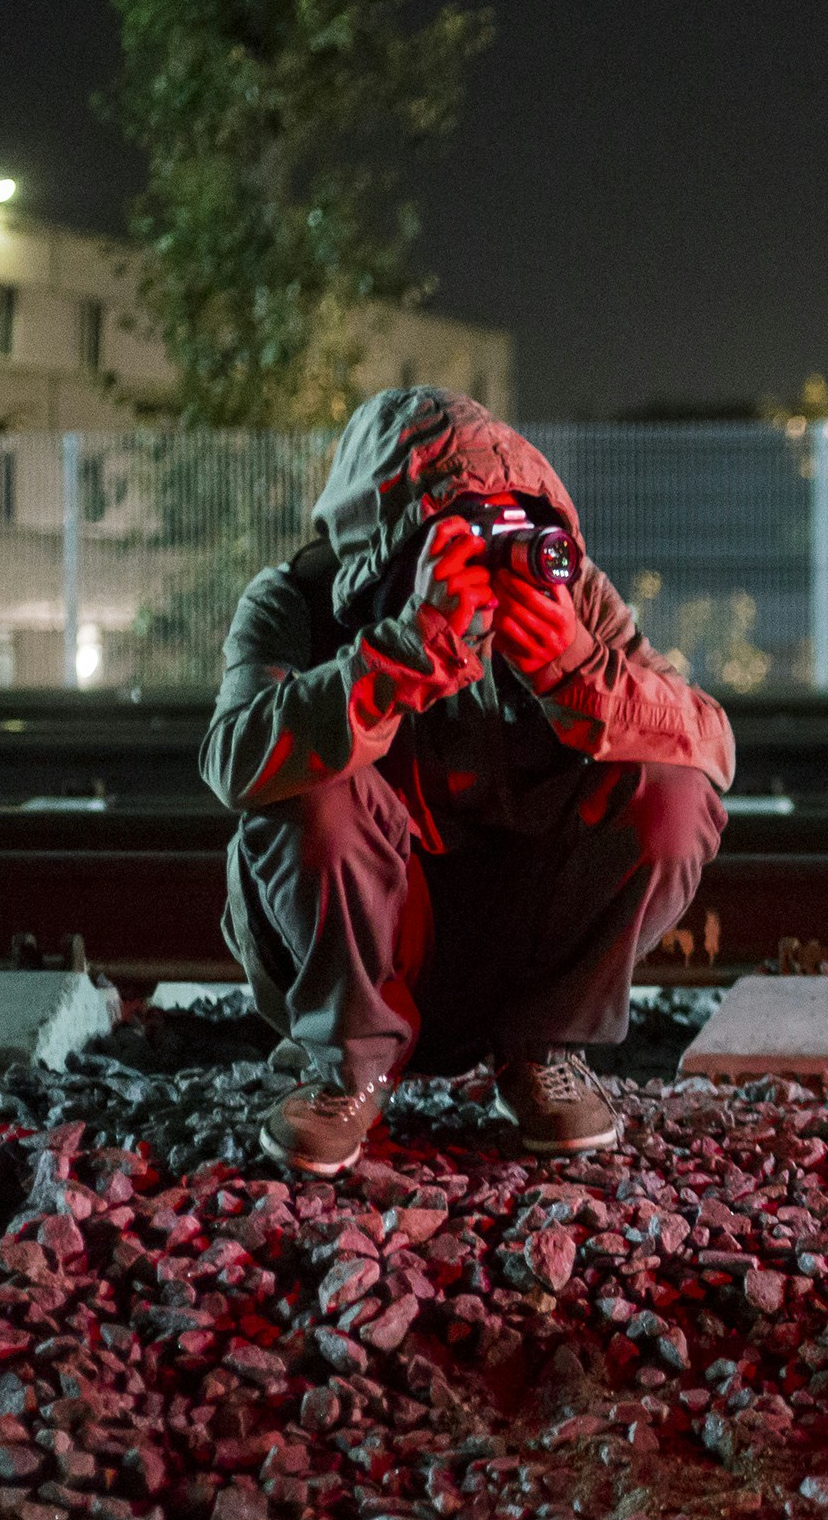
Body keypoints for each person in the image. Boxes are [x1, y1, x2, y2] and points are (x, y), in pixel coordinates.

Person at [200, 387, 734, 1174]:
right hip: (366, 939)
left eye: (511, 528)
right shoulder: (296, 599)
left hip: (515, 946)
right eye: (465, 532)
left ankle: (543, 1051)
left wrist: (580, 675)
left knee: (674, 795)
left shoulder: (572, 597)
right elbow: (233, 761)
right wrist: (399, 654)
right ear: (389, 540)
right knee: (302, 787)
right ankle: (348, 1068)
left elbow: (711, 742)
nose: (492, 557)